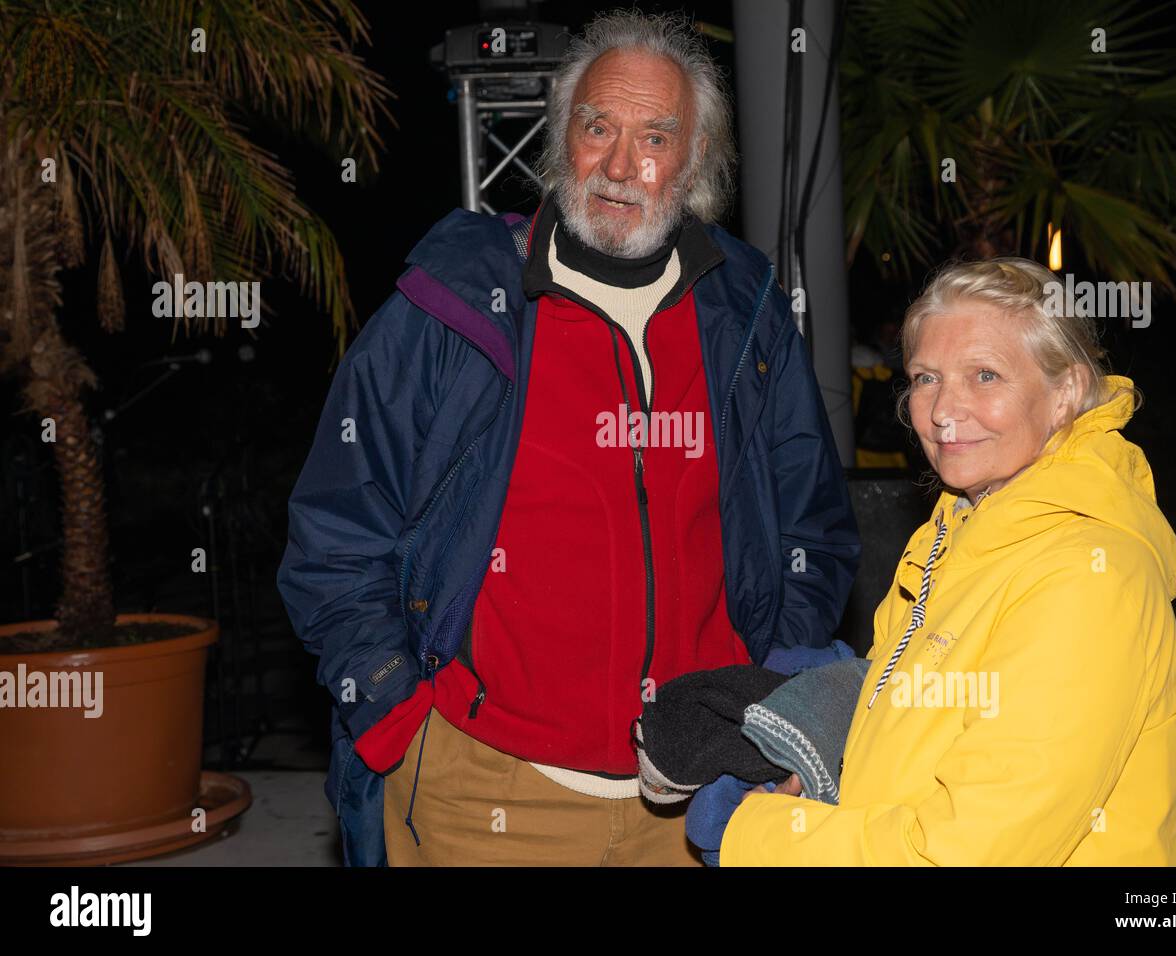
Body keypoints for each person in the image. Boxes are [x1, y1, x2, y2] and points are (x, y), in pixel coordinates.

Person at [276, 9, 860, 867]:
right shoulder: (454, 304)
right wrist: (398, 715)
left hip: (702, 800)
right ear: (563, 140)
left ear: (696, 162)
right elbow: (335, 531)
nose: (622, 166)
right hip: (486, 798)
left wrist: (765, 708)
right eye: (598, 128)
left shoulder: (746, 313)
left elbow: (812, 526)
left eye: (656, 136)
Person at [719, 257, 1176, 865]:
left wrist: (760, 836)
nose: (943, 409)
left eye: (986, 375)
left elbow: (969, 850)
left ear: (1066, 392)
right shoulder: (956, 528)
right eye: (925, 378)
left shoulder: (1088, 576)